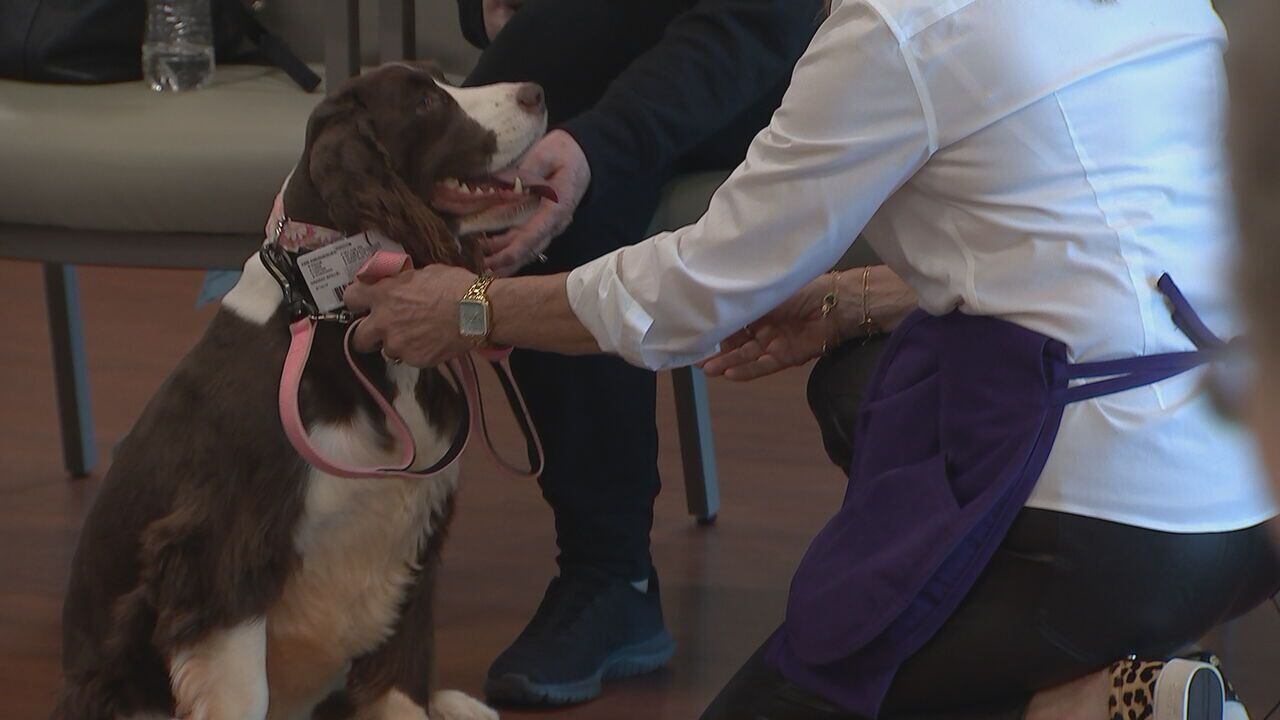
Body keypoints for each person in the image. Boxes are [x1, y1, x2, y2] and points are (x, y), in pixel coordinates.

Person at [348, 0, 1280, 717]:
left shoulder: (899, 29)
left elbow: (696, 288)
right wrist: (849, 299)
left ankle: (1089, 696)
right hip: (1249, 487)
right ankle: (1108, 689)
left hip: (1116, 529)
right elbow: (1101, 252)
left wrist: (469, 307)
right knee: (866, 384)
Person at [452, 0, 823, 706]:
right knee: (450, 159)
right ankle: (321, 503)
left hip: (765, 50)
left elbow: (756, 23)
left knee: (559, 198)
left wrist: (598, 145)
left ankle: (608, 575)